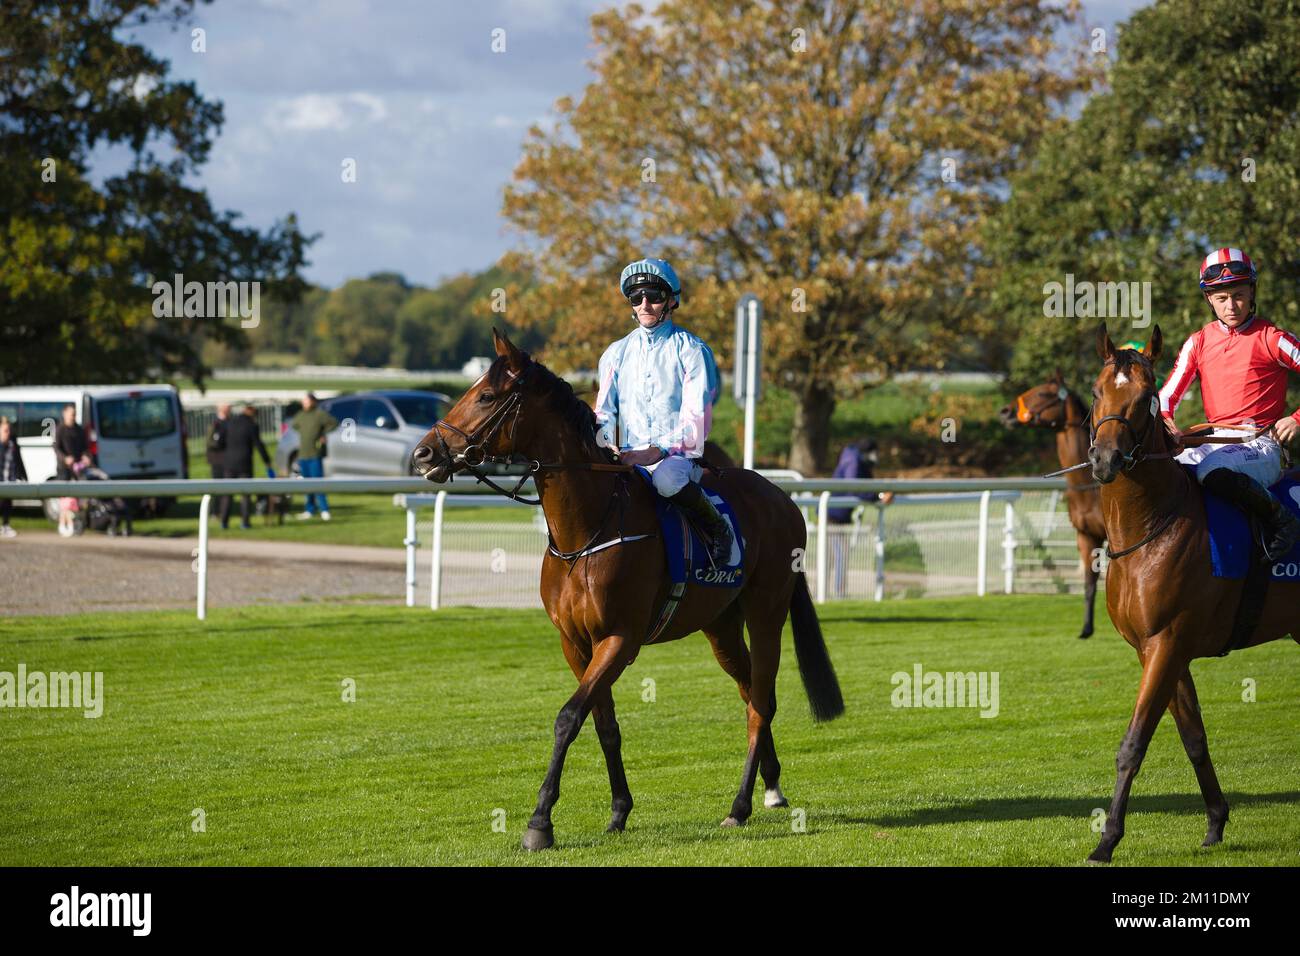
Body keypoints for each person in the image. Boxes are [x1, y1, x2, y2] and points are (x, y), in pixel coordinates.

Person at [1160, 248, 1300, 560]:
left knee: (1212, 470)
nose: (1231, 306)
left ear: (1252, 292)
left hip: (1261, 445)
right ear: (1209, 300)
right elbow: (1167, 395)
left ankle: (1282, 522)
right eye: (1221, 298)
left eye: (1238, 295)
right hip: (1212, 440)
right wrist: (1166, 420)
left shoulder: (1273, 337)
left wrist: (1297, 419)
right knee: (1163, 470)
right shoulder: (1198, 341)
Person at [593, 257, 732, 565]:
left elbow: (697, 422)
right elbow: (603, 413)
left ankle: (718, 528)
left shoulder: (693, 351)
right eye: (636, 297)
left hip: (677, 460)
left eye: (653, 296)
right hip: (628, 455)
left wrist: (656, 452)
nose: (645, 304)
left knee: (666, 481)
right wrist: (608, 444)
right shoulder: (615, 353)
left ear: (671, 301)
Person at [828, 438, 894, 597]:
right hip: (832, 515)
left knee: (834, 557)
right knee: (839, 556)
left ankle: (831, 593)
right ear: (868, 452)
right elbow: (855, 488)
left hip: (834, 514)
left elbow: (867, 485)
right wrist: (879, 496)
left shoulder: (856, 459)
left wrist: (880, 493)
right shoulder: (854, 461)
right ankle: (839, 593)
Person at [219, 404, 273, 530]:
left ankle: (224, 522)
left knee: (227, 494)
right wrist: (267, 461)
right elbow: (259, 444)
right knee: (245, 494)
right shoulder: (252, 426)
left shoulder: (230, 422)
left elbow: (221, 441)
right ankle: (245, 522)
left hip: (229, 463)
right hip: (244, 463)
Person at [291, 392, 338, 521]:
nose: (304, 403)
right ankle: (309, 509)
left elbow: (333, 423)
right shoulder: (301, 415)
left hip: (315, 454)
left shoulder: (319, 414)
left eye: (306, 401)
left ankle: (324, 510)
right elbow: (294, 425)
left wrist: (323, 434)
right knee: (307, 485)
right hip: (303, 455)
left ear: (312, 401)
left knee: (318, 483)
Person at [0, 416, 27, 538]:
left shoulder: (13, 444)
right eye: (5, 430)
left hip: (9, 480)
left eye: (9, 430)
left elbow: (19, 461)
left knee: (7, 503)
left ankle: (5, 526)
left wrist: (23, 476)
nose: (8, 433)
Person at [54, 403, 91, 480]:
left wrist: (85, 456)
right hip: (63, 468)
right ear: (64, 414)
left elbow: (84, 447)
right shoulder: (59, 429)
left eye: (74, 415)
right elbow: (56, 448)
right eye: (72, 414)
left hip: (78, 467)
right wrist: (65, 459)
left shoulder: (79, 430)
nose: (73, 417)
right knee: (62, 490)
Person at [207, 404, 231, 480]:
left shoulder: (227, 422)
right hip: (218, 457)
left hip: (224, 456)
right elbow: (211, 442)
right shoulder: (217, 424)